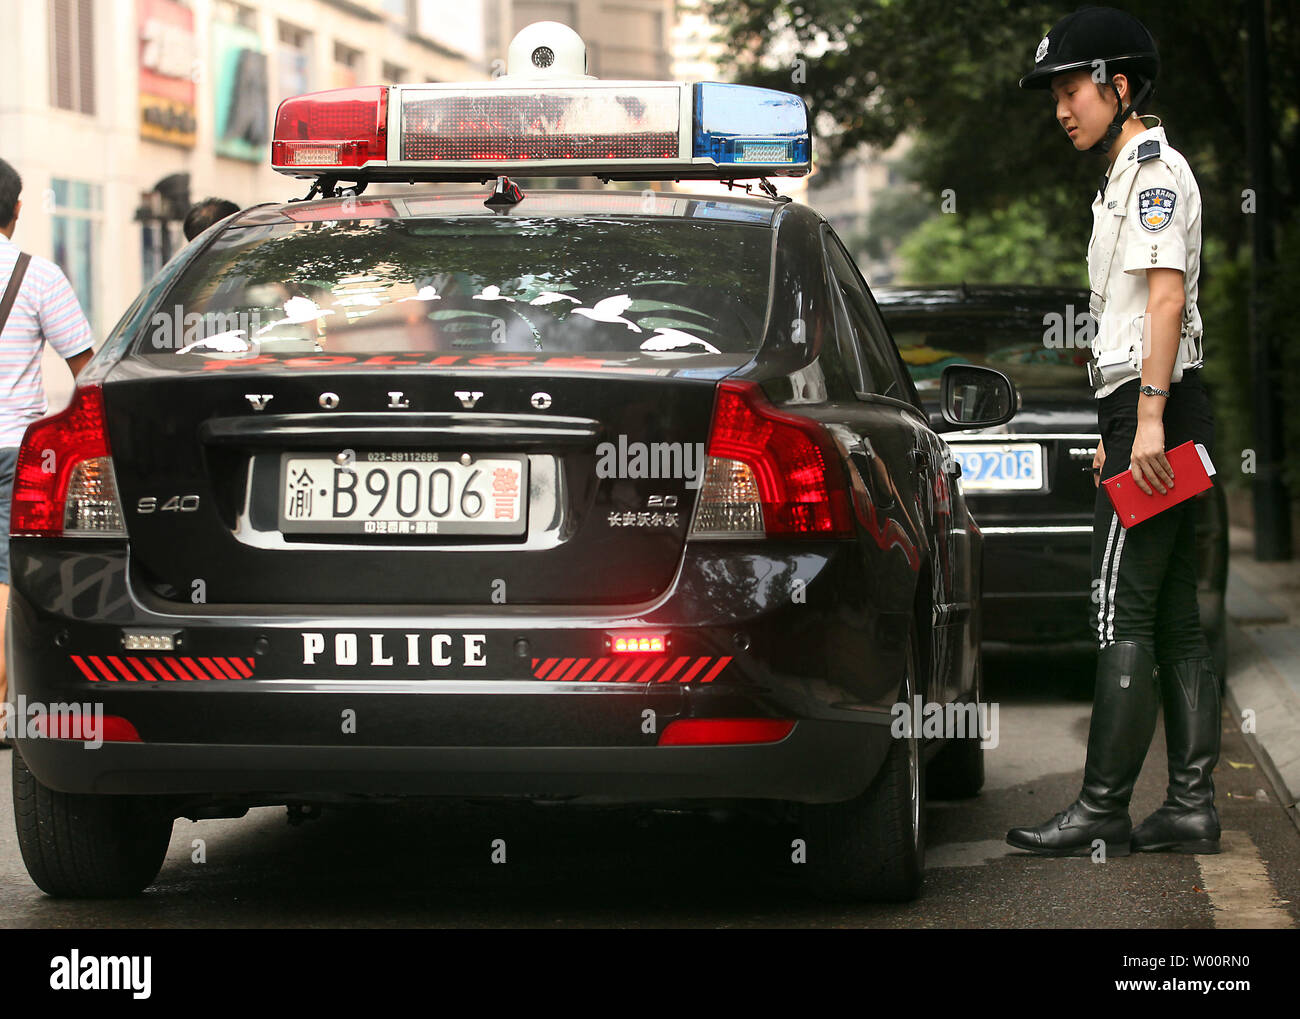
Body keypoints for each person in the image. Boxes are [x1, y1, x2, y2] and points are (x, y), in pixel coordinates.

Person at [1007, 7, 1221, 855]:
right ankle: (1193, 803)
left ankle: (1101, 807)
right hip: (1143, 405)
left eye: (1072, 89)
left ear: (1118, 85)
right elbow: (1132, 315)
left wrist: (1149, 418)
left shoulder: (1156, 175)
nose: (1062, 108)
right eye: (1055, 94)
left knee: (1116, 607)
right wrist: (1118, 417)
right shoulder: (1122, 177)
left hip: (1158, 408)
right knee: (1171, 613)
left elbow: (1166, 297)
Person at [0, 159, 95, 748]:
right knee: (6, 578)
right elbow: (87, 369)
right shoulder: (37, 277)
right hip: (13, 448)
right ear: (15, 208)